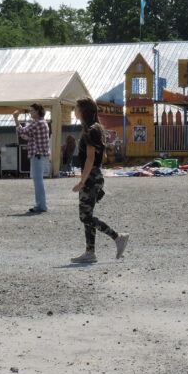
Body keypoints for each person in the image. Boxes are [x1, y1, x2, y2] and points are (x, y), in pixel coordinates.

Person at [70, 97, 128, 264]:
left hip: (91, 177)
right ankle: (90, 252)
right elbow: (101, 155)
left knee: (85, 217)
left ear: (83, 111)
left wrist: (82, 182)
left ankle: (117, 237)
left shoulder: (90, 130)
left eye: (76, 107)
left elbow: (89, 158)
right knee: (87, 215)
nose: (74, 110)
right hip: (95, 176)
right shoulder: (96, 129)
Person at [14, 103, 50, 213]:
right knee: (38, 180)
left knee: (38, 181)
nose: (30, 112)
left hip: (37, 155)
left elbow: (23, 132)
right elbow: (27, 135)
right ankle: (40, 205)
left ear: (38, 111)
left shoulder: (38, 123)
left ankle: (42, 205)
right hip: (39, 155)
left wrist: (16, 119)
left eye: (32, 111)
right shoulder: (40, 123)